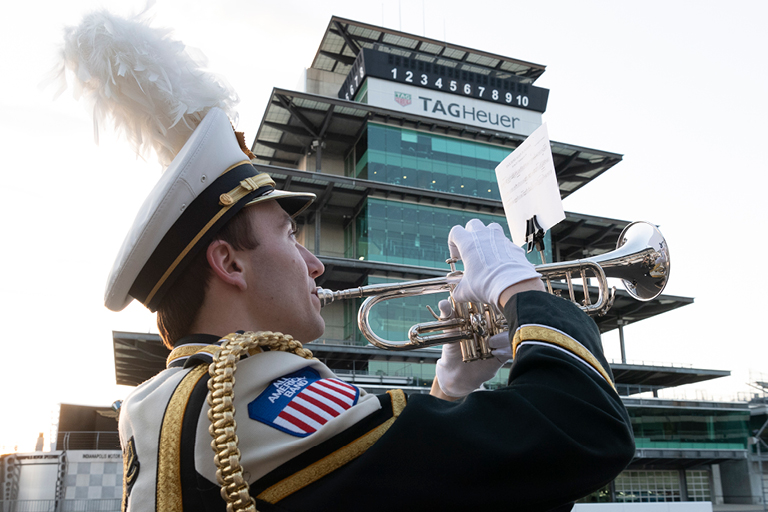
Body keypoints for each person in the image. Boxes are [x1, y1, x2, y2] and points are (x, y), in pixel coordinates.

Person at [59, 10, 635, 512]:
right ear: (230, 264)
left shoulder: (168, 398)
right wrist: (522, 289)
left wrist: (448, 395)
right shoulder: (252, 397)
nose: (315, 266)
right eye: (290, 236)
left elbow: (385, 491)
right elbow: (583, 432)